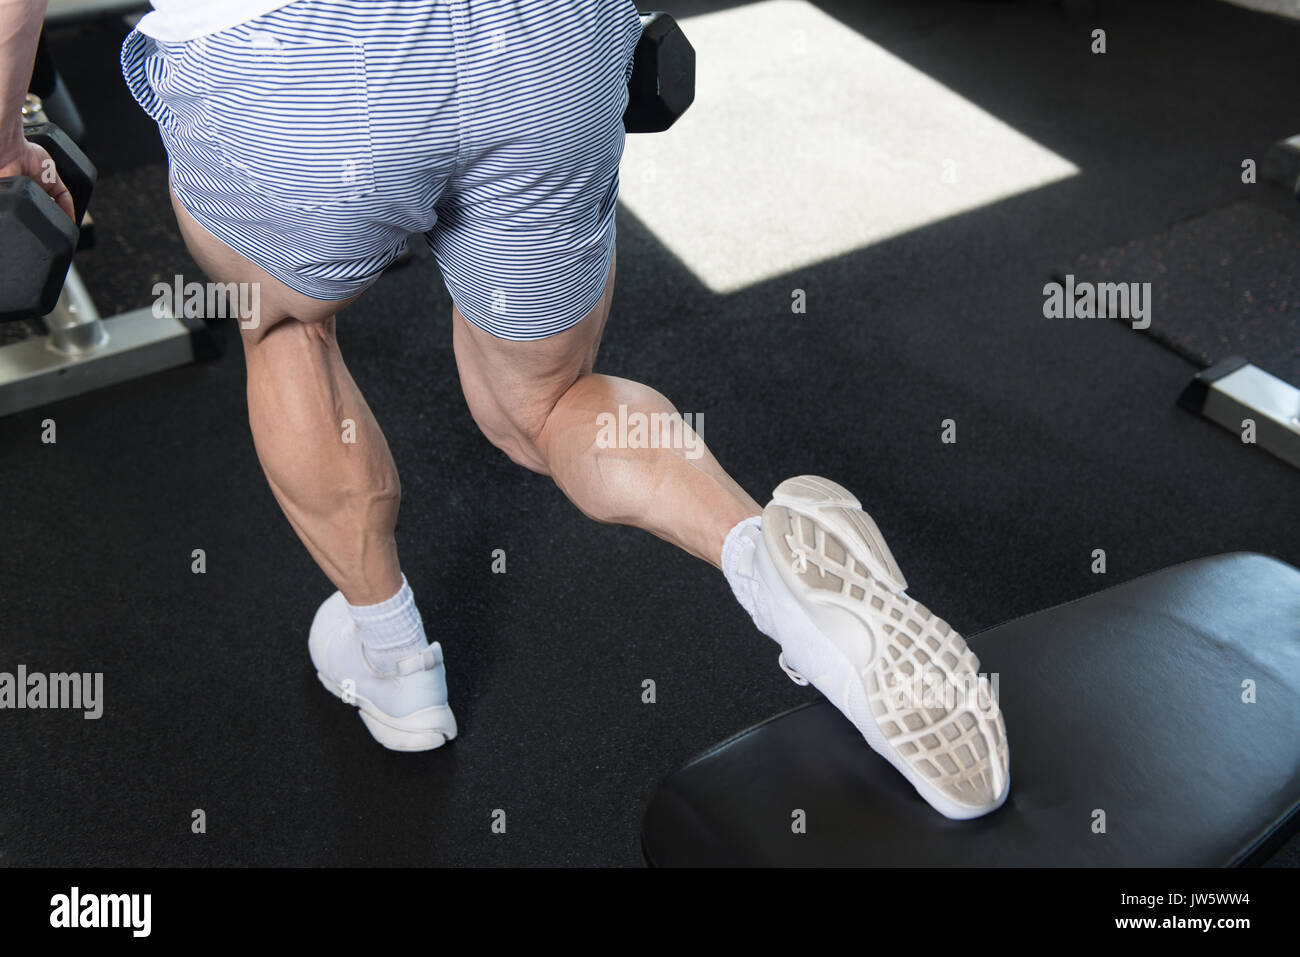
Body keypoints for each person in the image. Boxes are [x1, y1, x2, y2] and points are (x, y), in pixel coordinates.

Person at [1, 0, 1009, 820]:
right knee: (549, 401)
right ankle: (767, 561)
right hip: (544, 44)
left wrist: (6, 154)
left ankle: (396, 669)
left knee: (287, 331)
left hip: (295, 74)